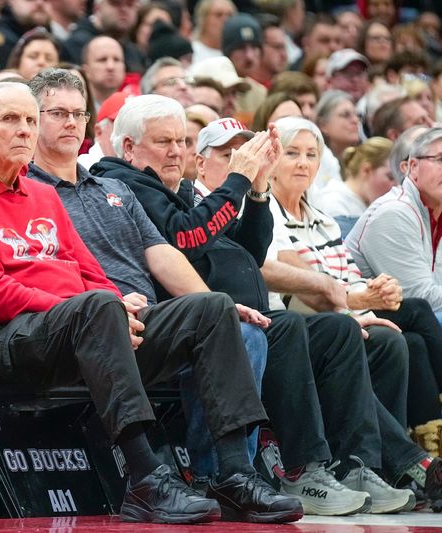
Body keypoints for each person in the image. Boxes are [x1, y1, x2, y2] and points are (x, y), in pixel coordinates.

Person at [0, 80, 294, 525]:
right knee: (99, 305)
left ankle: (233, 473)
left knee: (210, 309)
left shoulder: (41, 194)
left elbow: (91, 273)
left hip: (76, 330)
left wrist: (118, 308)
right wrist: (97, 308)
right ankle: (146, 478)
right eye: (10, 120)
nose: (24, 129)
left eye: (29, 120)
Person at [91, 104, 426, 514]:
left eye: (181, 140)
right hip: (183, 324)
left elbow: (250, 250)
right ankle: (263, 471)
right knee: (279, 328)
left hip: (236, 314)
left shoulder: (178, 192)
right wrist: (237, 181)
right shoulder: (128, 185)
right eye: (165, 142)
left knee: (338, 333)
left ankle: (347, 466)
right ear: (128, 146)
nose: (176, 150)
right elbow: (187, 239)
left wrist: (258, 190)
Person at [25, 69, 277, 500]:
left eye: (78, 113)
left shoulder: (112, 188)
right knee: (118, 310)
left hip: (146, 323)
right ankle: (192, 473)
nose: (71, 122)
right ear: (33, 121)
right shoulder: (25, 189)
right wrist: (111, 301)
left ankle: (233, 475)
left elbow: (163, 254)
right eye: (57, 113)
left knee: (224, 314)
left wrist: (217, 306)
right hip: (84, 325)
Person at [268, 116, 442, 432]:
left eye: (311, 154)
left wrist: (377, 288)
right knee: (414, 311)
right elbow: (299, 287)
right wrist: (359, 300)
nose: (303, 163)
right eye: (292, 153)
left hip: (346, 309)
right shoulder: (264, 212)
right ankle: (411, 452)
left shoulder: (323, 220)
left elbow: (348, 273)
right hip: (302, 320)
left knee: (409, 342)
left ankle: (414, 447)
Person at [348, 127, 442, 321]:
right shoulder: (394, 213)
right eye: (440, 160)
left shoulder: (435, 210)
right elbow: (420, 299)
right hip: (358, 323)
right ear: (412, 167)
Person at [316, 136, 394, 237]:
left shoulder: (364, 203)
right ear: (366, 170)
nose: (395, 186)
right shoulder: (334, 203)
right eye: (390, 177)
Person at [81, 35, 125, 113]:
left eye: (116, 60)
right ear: (86, 70)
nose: (111, 66)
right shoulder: (77, 110)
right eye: (102, 60)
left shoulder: (135, 107)